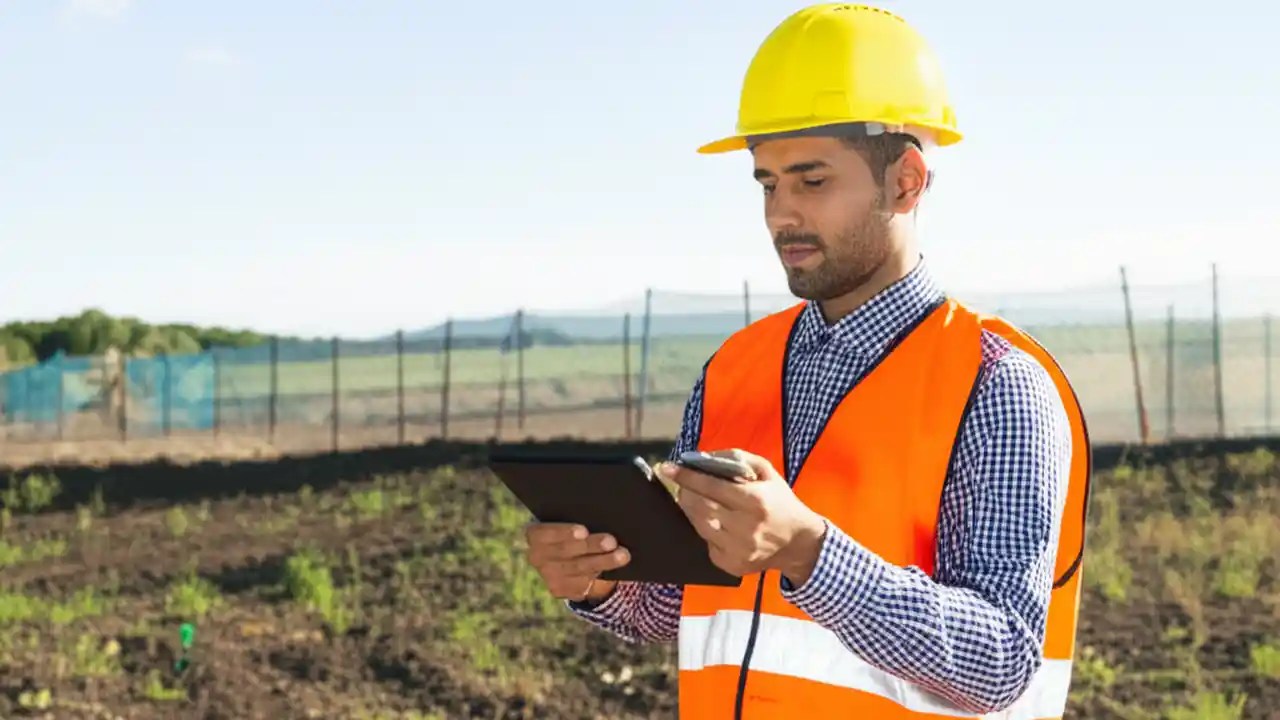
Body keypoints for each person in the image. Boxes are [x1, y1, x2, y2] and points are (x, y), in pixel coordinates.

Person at [523, 4, 1091, 719]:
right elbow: (681, 607)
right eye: (767, 183)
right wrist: (600, 581)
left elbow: (1002, 659)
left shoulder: (997, 383)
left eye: (811, 181)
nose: (779, 214)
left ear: (906, 181)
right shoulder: (735, 368)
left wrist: (811, 553)